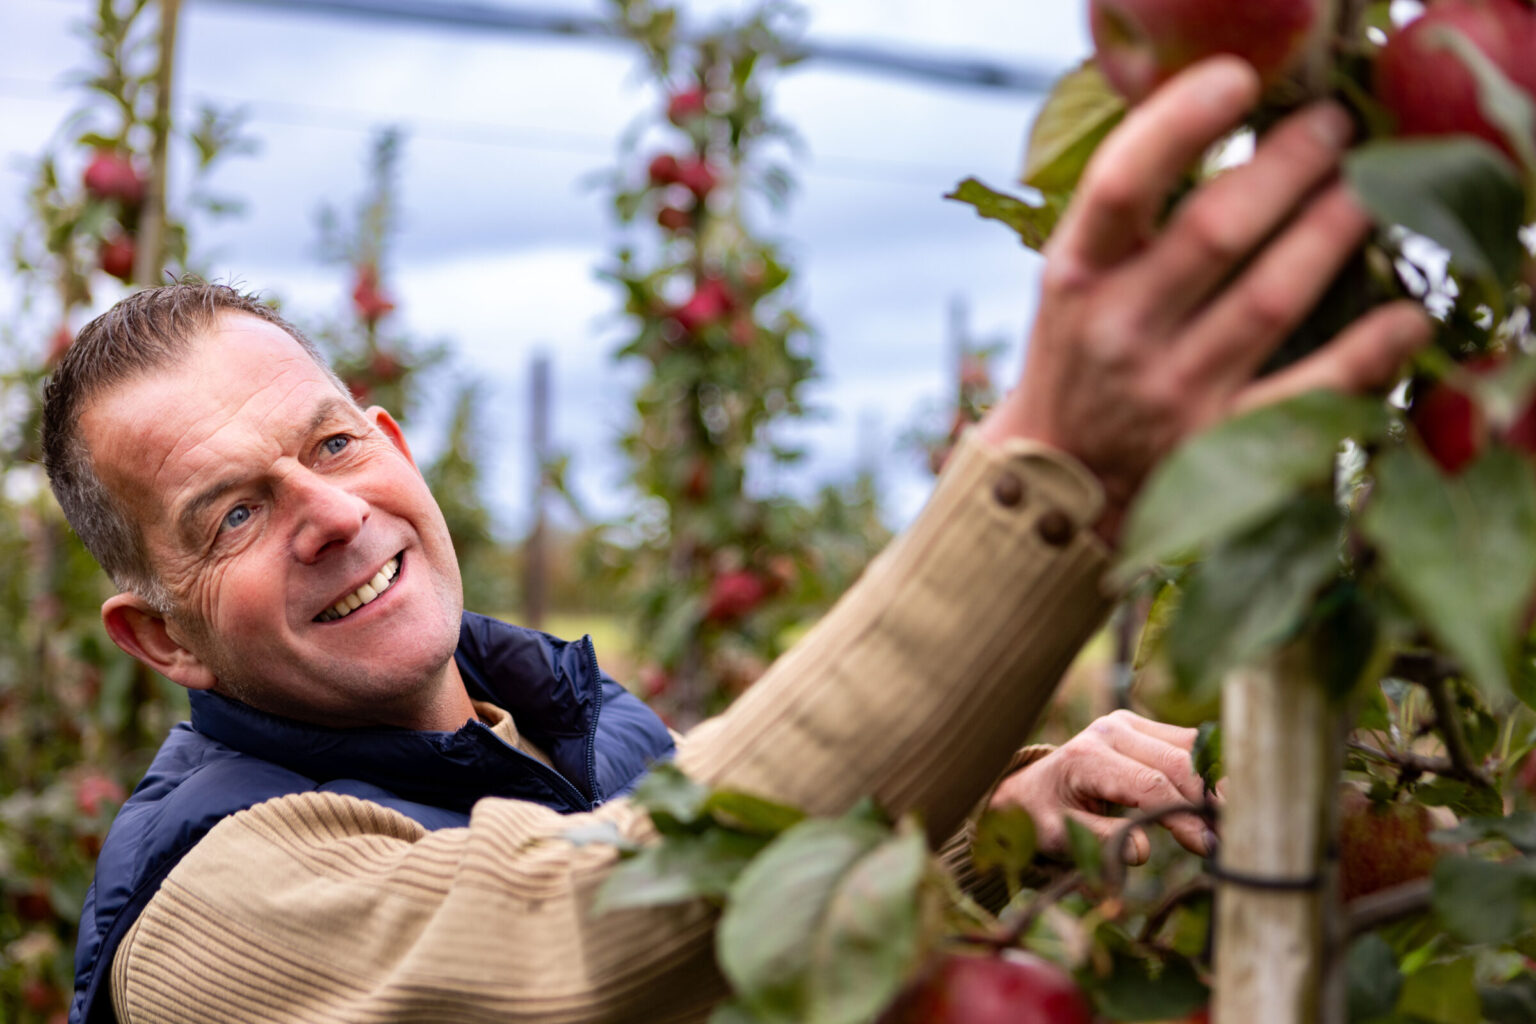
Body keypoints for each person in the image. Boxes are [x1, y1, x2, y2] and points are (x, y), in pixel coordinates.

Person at [47, 57, 1429, 1024]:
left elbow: (721, 906)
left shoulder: (568, 724)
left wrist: (1007, 816)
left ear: (396, 446)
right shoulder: (211, 903)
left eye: (336, 445)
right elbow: (571, 936)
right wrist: (1049, 477)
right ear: (162, 638)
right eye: (236, 513)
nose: (335, 513)